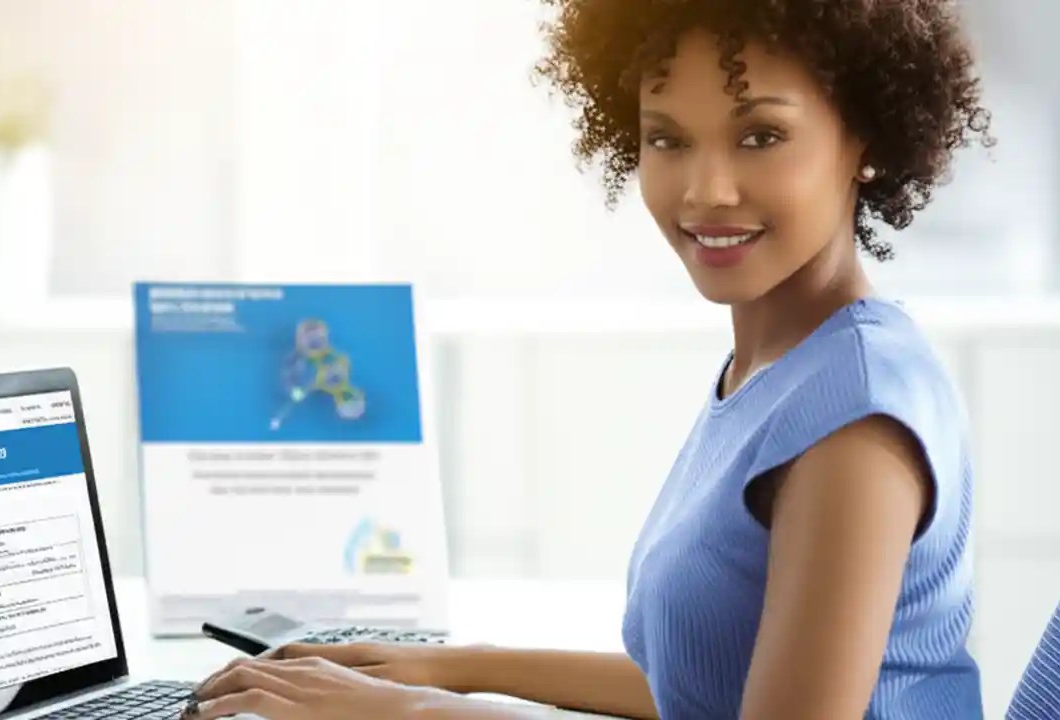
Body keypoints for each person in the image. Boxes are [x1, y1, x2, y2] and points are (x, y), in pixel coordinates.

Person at [185, 0, 994, 717]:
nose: (706, 189)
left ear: (866, 139)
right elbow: (700, 683)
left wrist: (413, 712)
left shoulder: (852, 417)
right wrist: (451, 668)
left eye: (761, 136)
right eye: (667, 138)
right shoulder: (778, 368)